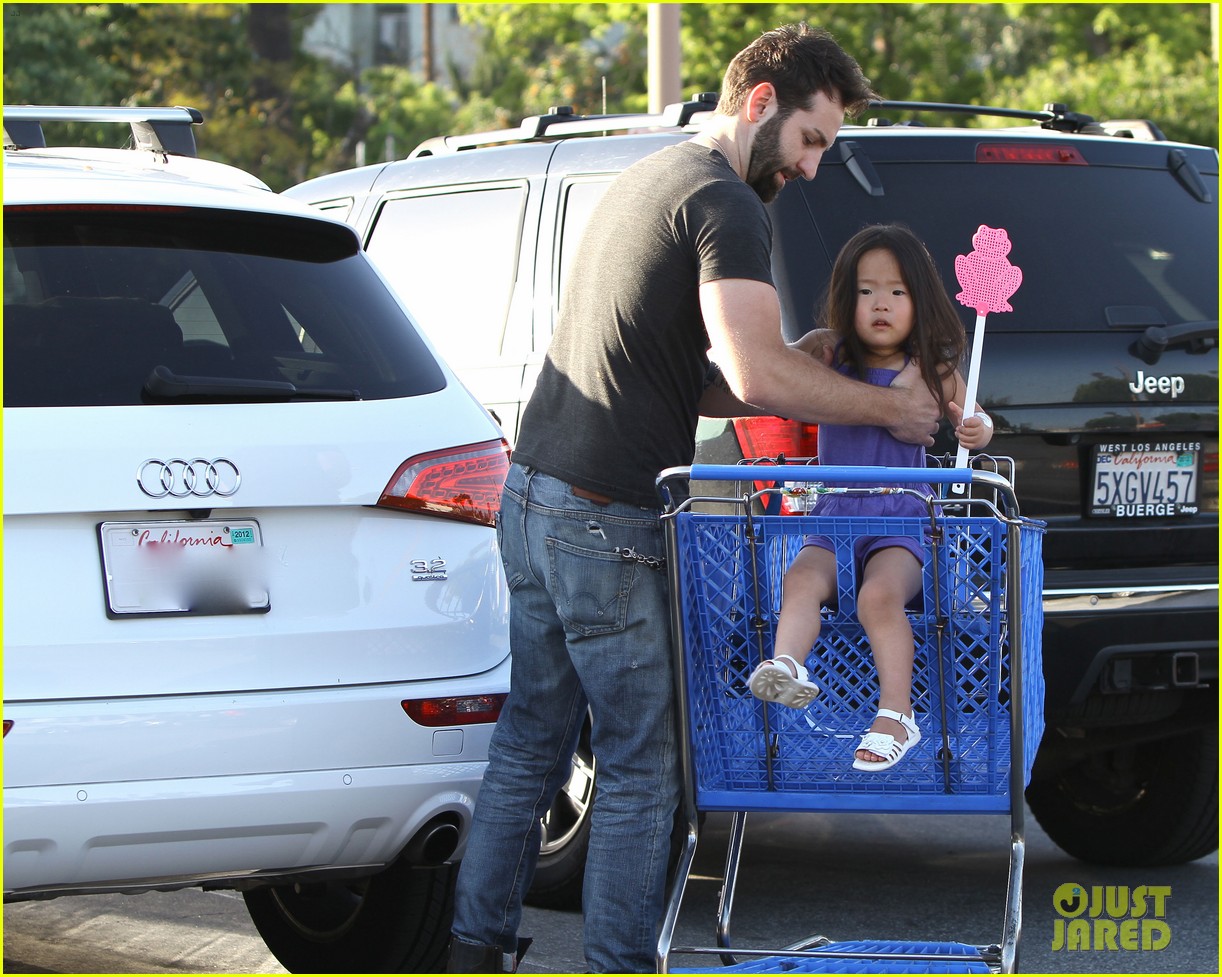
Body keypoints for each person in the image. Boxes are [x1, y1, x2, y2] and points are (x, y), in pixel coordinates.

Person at [446, 26, 942, 974]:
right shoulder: (725, 199)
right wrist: (898, 409)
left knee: (531, 745)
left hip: (535, 494)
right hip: (606, 517)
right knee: (641, 766)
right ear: (761, 102)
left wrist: (798, 364)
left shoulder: (647, 177)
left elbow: (692, 374)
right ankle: (620, 964)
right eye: (810, 140)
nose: (810, 167)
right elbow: (756, 378)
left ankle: (473, 953)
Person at [746, 223, 994, 772]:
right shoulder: (834, 361)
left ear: (919, 301)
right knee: (800, 580)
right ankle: (787, 665)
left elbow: (973, 415)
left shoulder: (932, 368)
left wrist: (976, 429)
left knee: (877, 599)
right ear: (846, 299)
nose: (880, 303)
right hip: (834, 518)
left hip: (901, 525)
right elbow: (784, 373)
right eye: (865, 291)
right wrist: (802, 348)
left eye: (897, 292)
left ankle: (896, 714)